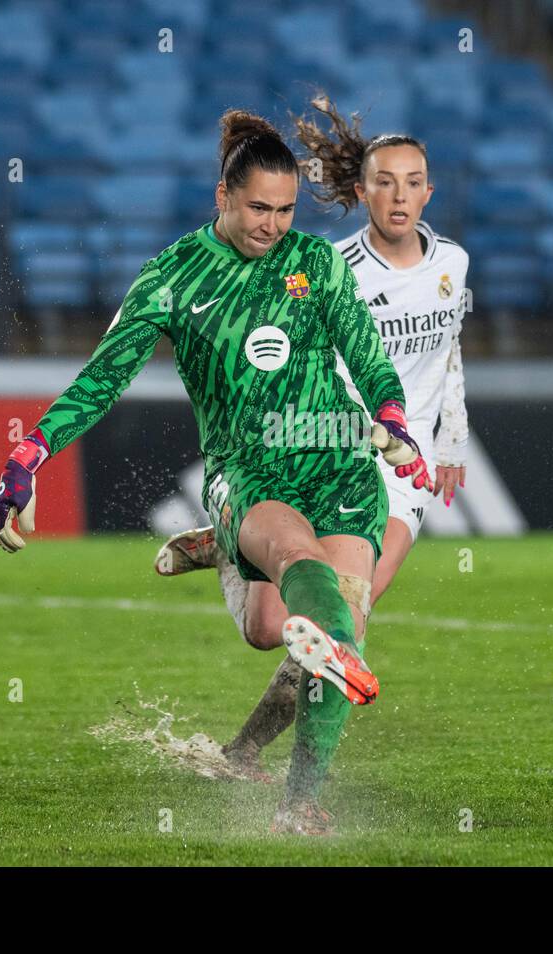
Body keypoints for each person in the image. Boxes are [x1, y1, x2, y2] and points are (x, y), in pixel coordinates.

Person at [0, 109, 432, 835]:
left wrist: (389, 416)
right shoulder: (172, 277)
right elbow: (101, 379)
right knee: (284, 598)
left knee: (331, 631)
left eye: (286, 210)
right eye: (258, 207)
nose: (272, 225)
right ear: (221, 197)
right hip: (250, 472)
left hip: (342, 468)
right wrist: (29, 455)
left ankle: (300, 800)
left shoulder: (315, 264)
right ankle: (233, 543)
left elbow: (368, 353)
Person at [155, 95, 471, 784]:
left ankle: (263, 766)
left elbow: (449, 351)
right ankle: (232, 538)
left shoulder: (453, 262)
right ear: (361, 190)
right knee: (269, 629)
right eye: (385, 181)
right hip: (326, 453)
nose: (400, 195)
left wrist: (451, 440)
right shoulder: (326, 265)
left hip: (397, 469)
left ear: (429, 190)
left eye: (414, 181)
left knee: (342, 629)